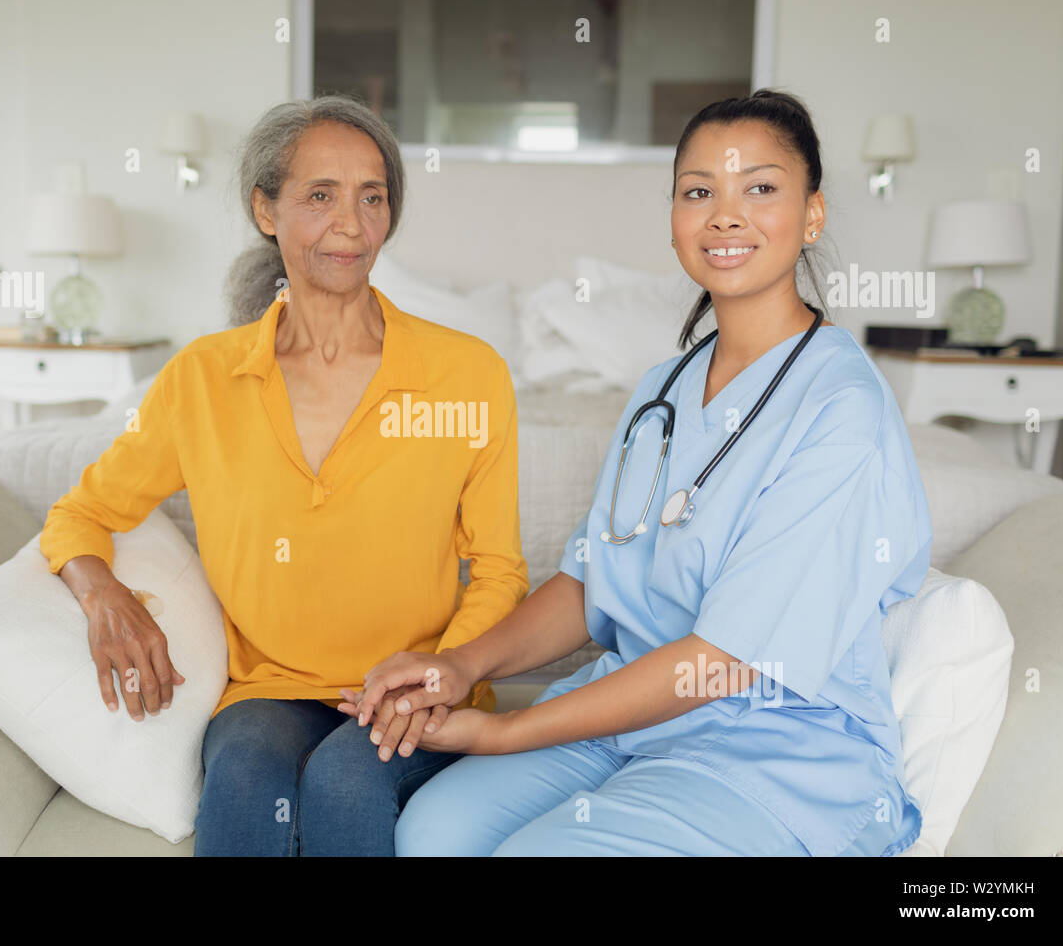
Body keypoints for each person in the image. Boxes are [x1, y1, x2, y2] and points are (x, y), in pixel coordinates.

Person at [344, 89, 932, 857]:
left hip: (771, 751)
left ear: (812, 215)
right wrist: (457, 665)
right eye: (699, 192)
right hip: (629, 721)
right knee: (430, 834)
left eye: (760, 188)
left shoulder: (843, 411)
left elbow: (724, 662)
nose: (726, 216)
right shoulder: (662, 389)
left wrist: (505, 729)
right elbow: (592, 583)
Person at [39, 95, 528, 856]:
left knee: (345, 781)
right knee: (243, 778)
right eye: (320, 196)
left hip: (419, 684)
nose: (352, 224)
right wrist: (100, 594)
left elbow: (499, 570)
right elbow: (80, 512)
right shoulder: (202, 378)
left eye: (372, 197)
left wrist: (442, 670)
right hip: (269, 688)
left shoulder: (468, 374)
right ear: (265, 209)